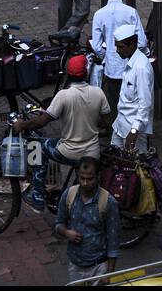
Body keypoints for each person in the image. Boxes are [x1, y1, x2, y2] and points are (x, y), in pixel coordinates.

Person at [10, 53, 110, 213]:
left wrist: (22, 124)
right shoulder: (98, 93)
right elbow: (105, 123)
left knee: (36, 146)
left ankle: (37, 197)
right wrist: (89, 120)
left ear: (69, 75)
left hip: (69, 152)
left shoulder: (64, 95)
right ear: (86, 73)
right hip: (92, 153)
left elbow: (41, 121)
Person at [54, 156, 121, 284]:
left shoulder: (108, 202)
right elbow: (58, 224)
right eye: (82, 178)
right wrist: (66, 232)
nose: (85, 183)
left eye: (89, 179)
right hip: (75, 266)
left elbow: (113, 239)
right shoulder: (69, 195)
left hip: (99, 267)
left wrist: (110, 272)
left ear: (98, 176)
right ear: (77, 175)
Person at [89, 0, 146, 121]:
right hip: (130, 67)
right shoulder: (131, 12)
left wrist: (106, 56)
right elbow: (142, 42)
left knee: (114, 103)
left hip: (111, 69)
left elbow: (96, 45)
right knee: (132, 102)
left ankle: (114, 131)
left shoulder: (99, 14)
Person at [111, 23, 153, 156]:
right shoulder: (131, 63)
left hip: (133, 130)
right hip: (120, 125)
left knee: (137, 169)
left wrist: (134, 131)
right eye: (117, 46)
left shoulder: (141, 68)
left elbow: (145, 104)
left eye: (121, 47)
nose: (117, 50)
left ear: (132, 44)